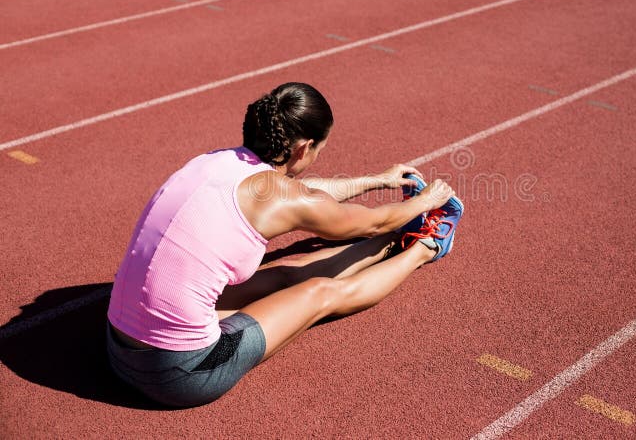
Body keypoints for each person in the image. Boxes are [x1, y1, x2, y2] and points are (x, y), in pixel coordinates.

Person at [106, 82, 464, 407]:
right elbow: (372, 222)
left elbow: (305, 194)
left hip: (118, 346)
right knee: (319, 292)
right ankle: (427, 245)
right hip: (179, 373)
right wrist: (425, 200)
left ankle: (397, 242)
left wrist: (377, 180)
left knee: (278, 277)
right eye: (320, 149)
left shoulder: (215, 162)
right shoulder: (276, 194)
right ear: (304, 148)